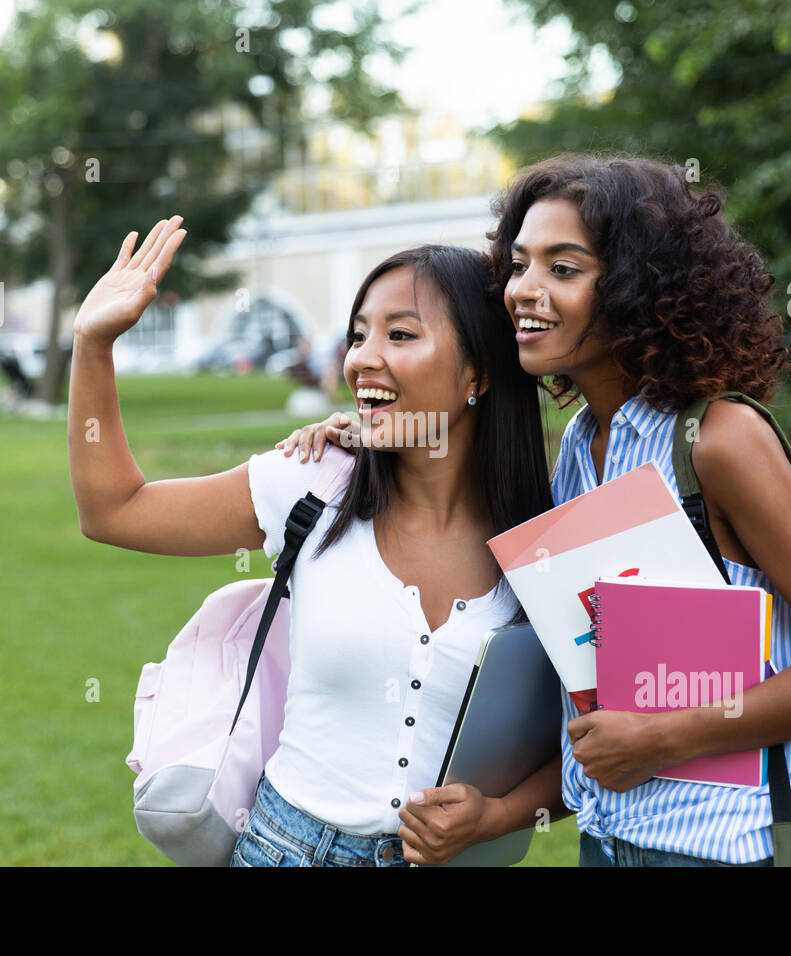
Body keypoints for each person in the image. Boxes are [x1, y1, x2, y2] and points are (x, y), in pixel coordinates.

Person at [278, 153, 791, 866]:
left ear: (641, 287)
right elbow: (598, 695)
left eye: (564, 267)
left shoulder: (719, 442)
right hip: (609, 842)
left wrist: (667, 737)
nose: (524, 290)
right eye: (518, 265)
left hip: (733, 848)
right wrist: (360, 435)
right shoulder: (581, 447)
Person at [67, 215, 565, 866]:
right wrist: (93, 345)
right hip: (282, 848)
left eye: (401, 335)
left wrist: (498, 815)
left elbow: (601, 739)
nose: (362, 359)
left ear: (480, 373)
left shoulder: (548, 536)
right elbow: (115, 510)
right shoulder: (314, 482)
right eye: (358, 336)